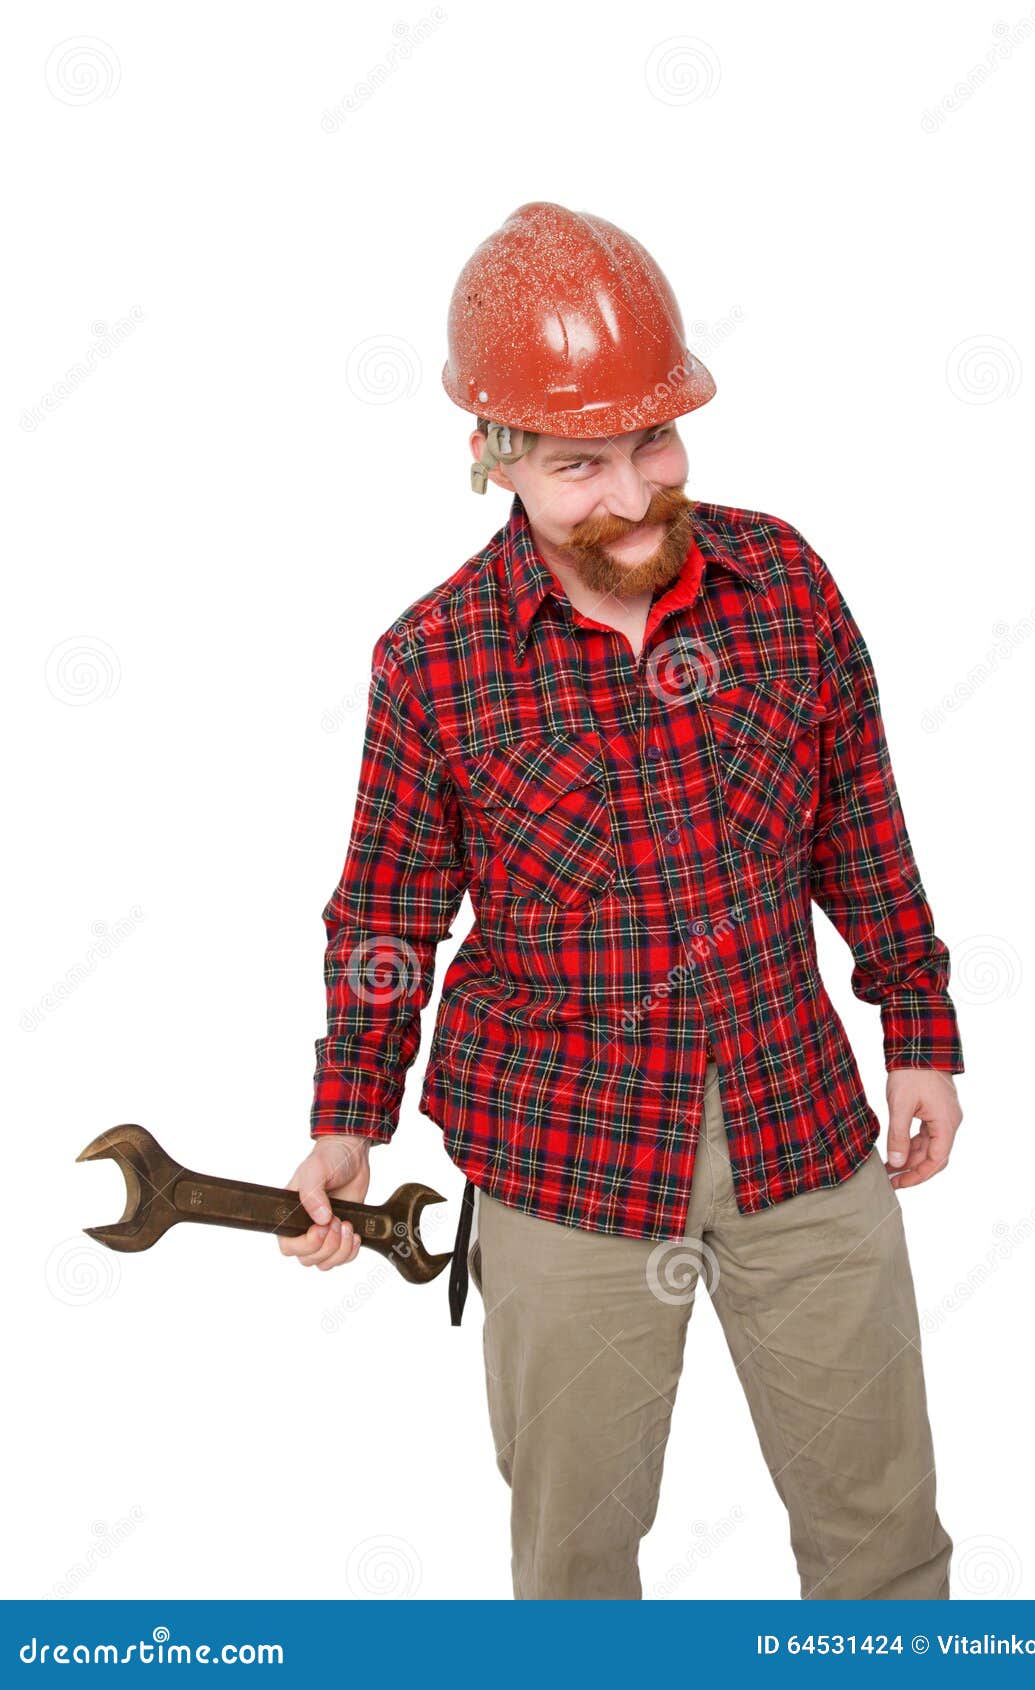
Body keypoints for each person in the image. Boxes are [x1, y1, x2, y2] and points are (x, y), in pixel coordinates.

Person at [279, 202, 964, 1601]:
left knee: (884, 1545)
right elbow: (387, 918)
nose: (634, 491)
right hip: (565, 1157)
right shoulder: (435, 660)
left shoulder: (782, 583)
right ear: (496, 460)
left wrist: (921, 1024)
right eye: (581, 463)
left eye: (654, 442)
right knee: (576, 1565)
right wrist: (348, 1117)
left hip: (798, 1124)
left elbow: (860, 821)